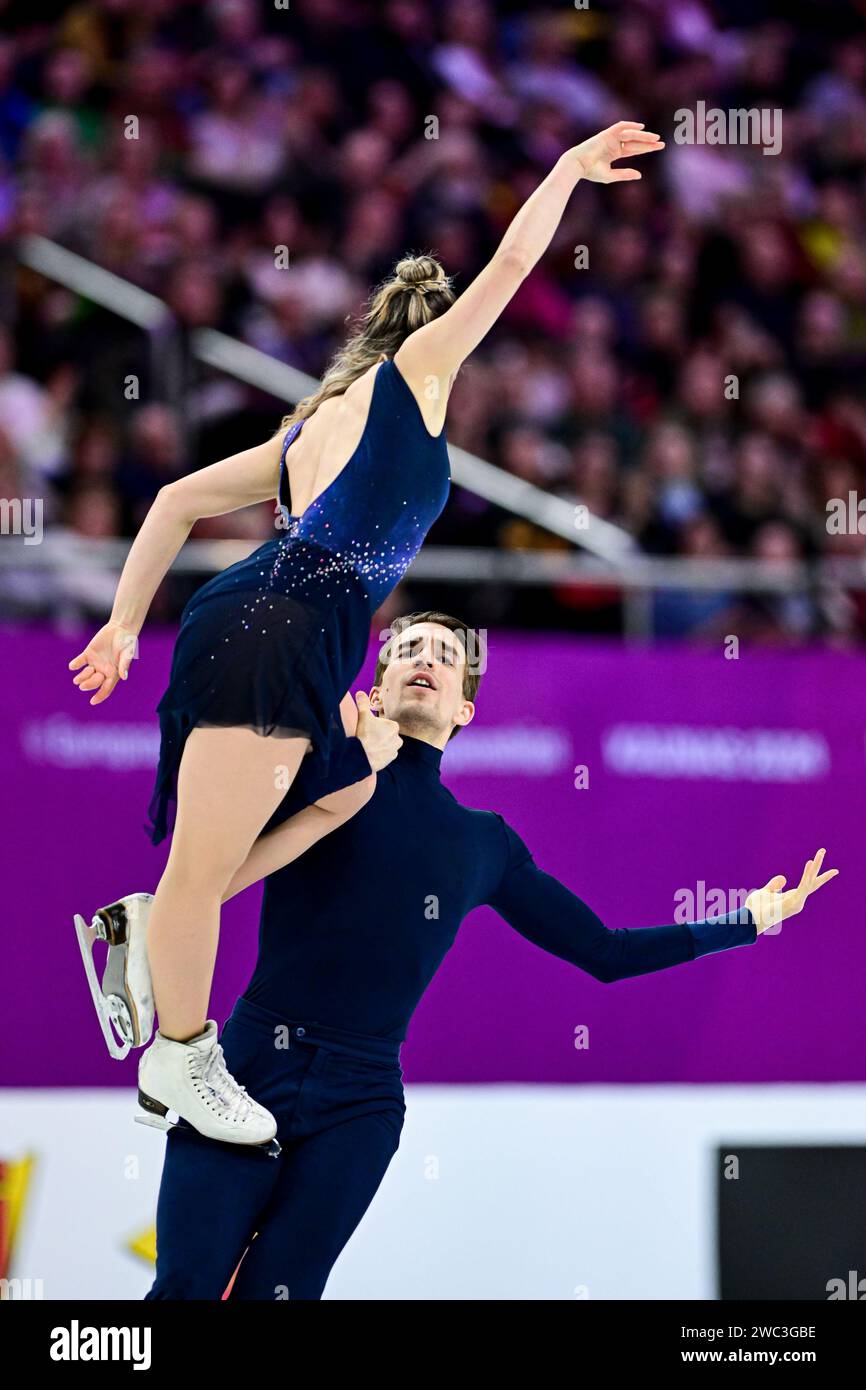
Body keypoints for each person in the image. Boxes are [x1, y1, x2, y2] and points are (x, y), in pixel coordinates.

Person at [69, 120, 668, 1146]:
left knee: (347, 786)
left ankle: (150, 920)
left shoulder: (303, 430)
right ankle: (181, 1054)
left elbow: (172, 500)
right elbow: (515, 261)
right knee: (210, 871)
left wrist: (127, 623)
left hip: (255, 621)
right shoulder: (417, 378)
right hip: (279, 632)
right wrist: (565, 168)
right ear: (425, 343)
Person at [140, 610, 836, 1300]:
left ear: (464, 708)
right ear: (376, 690)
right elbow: (204, 869)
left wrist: (745, 921)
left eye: (444, 655)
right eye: (407, 648)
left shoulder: (483, 844)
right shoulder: (316, 764)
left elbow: (604, 952)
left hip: (359, 1101)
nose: (425, 659)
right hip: (248, 1063)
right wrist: (350, 755)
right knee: (185, 1287)